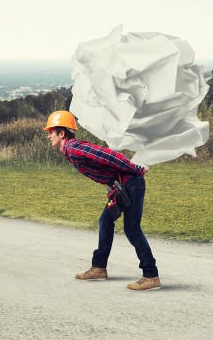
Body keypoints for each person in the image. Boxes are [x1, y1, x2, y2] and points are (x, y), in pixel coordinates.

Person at [44, 110, 161, 291]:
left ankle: (151, 275)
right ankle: (99, 268)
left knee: (132, 229)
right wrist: (113, 187)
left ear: (61, 133)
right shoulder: (70, 150)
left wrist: (135, 168)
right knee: (105, 221)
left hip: (131, 183)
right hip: (121, 186)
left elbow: (108, 156)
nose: (48, 135)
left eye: (51, 131)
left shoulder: (74, 148)